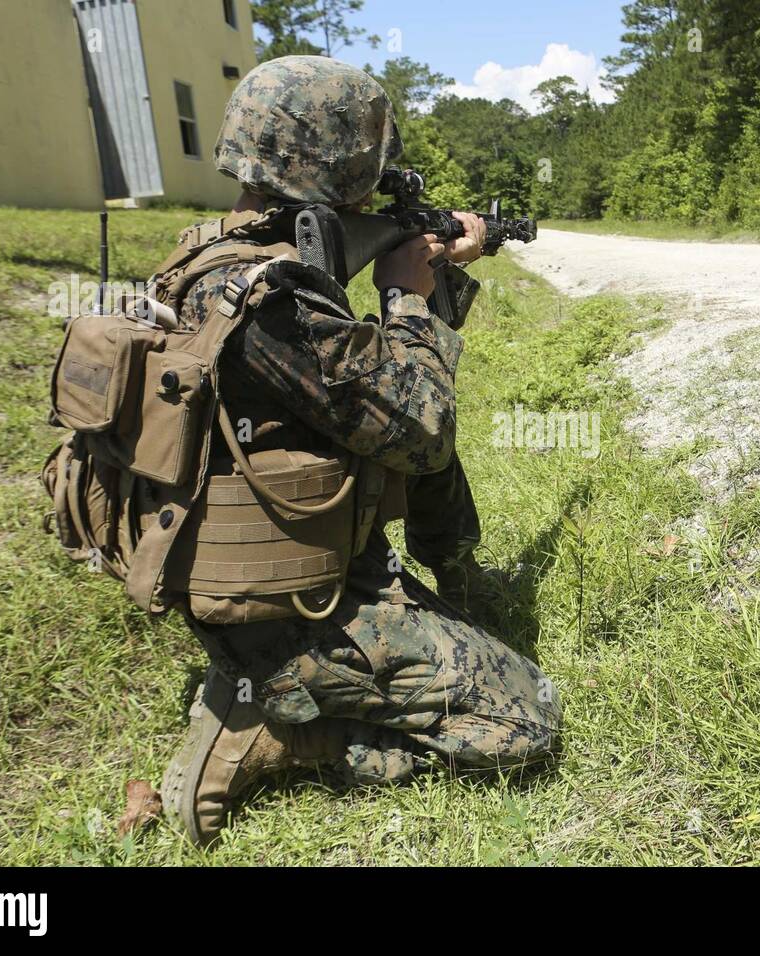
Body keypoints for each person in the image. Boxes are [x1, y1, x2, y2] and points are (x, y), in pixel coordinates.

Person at [157, 56, 561, 847]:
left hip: (265, 565)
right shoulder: (267, 299)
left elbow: (382, 410)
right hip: (286, 602)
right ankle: (280, 728)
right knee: (527, 719)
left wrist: (435, 274)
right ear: (338, 169)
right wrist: (408, 295)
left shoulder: (209, 261)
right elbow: (421, 428)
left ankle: (342, 646)